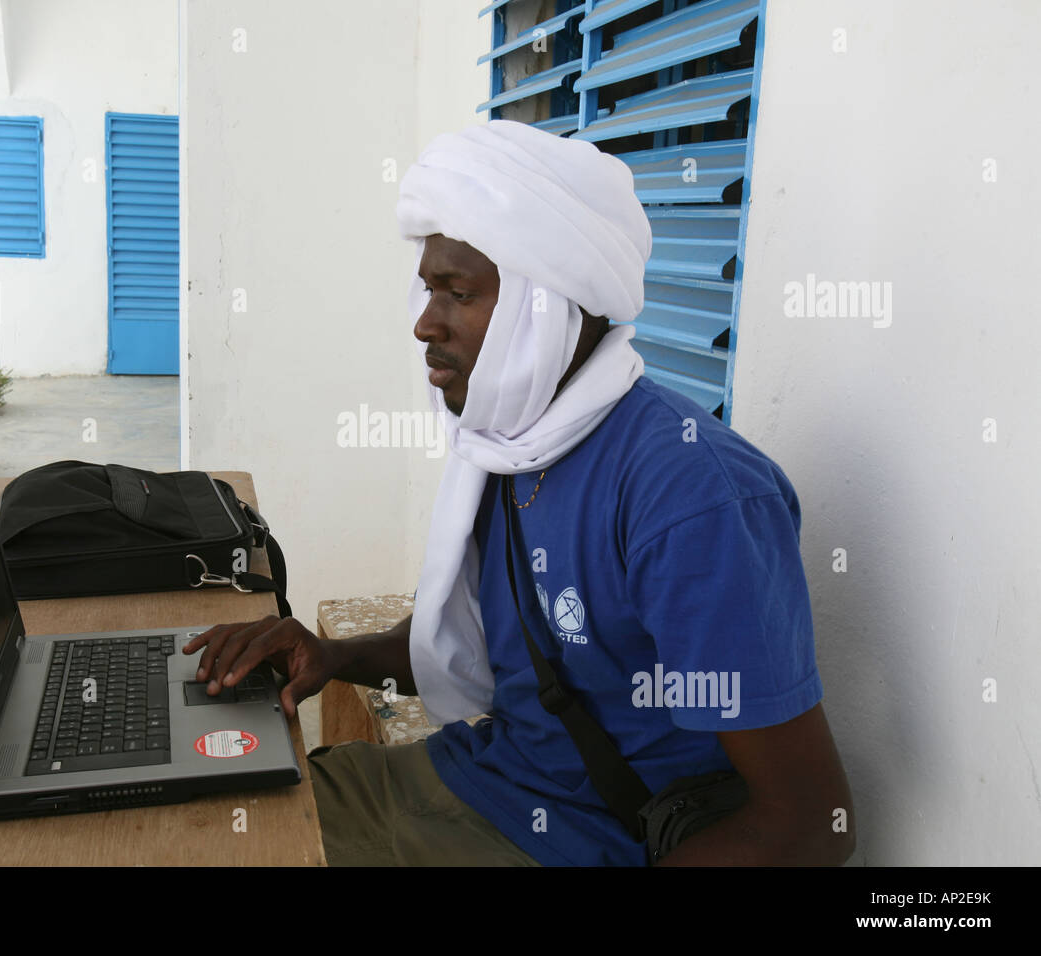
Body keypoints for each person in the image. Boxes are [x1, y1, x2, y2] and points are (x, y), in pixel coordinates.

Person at [184, 120, 855, 867]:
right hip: (484, 784)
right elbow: (493, 647)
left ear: (547, 305)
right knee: (214, 825)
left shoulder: (691, 497)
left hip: (598, 841)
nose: (424, 323)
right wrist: (333, 657)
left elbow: (805, 825)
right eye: (428, 287)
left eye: (458, 292)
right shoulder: (513, 445)